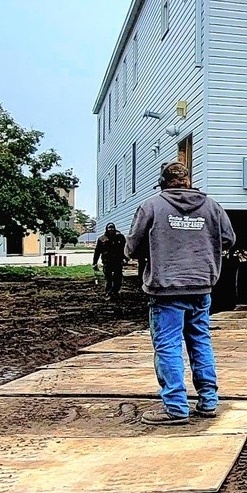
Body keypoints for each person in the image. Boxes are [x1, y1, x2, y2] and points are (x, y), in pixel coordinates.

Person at [126, 161, 236, 425]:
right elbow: (229, 239)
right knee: (200, 341)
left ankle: (176, 408)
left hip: (166, 290)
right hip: (201, 287)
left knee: (168, 345)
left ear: (163, 182)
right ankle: (208, 401)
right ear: (188, 180)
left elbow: (131, 248)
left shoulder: (152, 206)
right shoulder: (212, 207)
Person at [90, 223, 126, 299]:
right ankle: (108, 293)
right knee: (108, 278)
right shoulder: (102, 239)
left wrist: (125, 258)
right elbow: (97, 251)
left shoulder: (120, 238)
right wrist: (94, 263)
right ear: (106, 229)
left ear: (115, 228)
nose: (111, 229)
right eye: (109, 228)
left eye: (112, 228)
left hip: (117, 261)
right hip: (107, 261)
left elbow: (125, 249)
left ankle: (115, 292)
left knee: (118, 278)